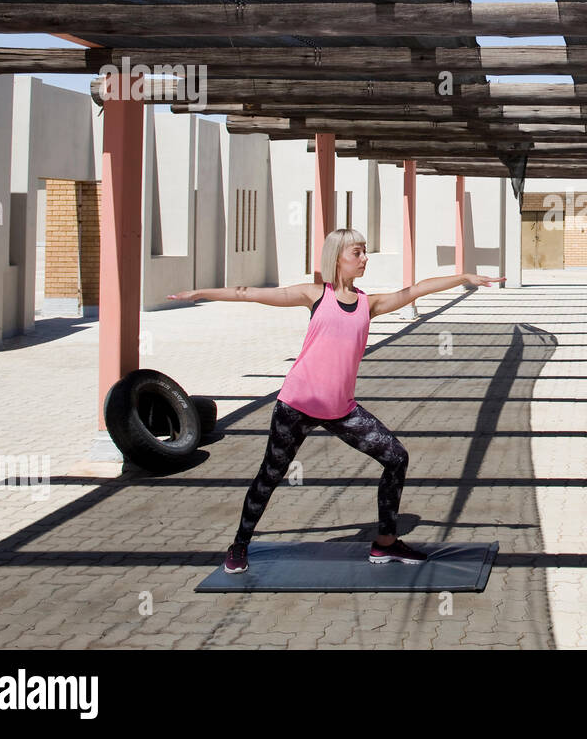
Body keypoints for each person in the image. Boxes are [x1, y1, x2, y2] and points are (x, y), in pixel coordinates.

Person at [168, 228, 504, 574]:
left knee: (396, 457)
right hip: (296, 405)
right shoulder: (314, 295)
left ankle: (385, 543)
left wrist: (464, 276)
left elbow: (415, 289)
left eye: (364, 252)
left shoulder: (368, 304)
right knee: (271, 474)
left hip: (341, 409)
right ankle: (239, 544)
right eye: (356, 253)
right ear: (337, 257)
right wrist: (200, 292)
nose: (364, 259)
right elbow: (248, 293)